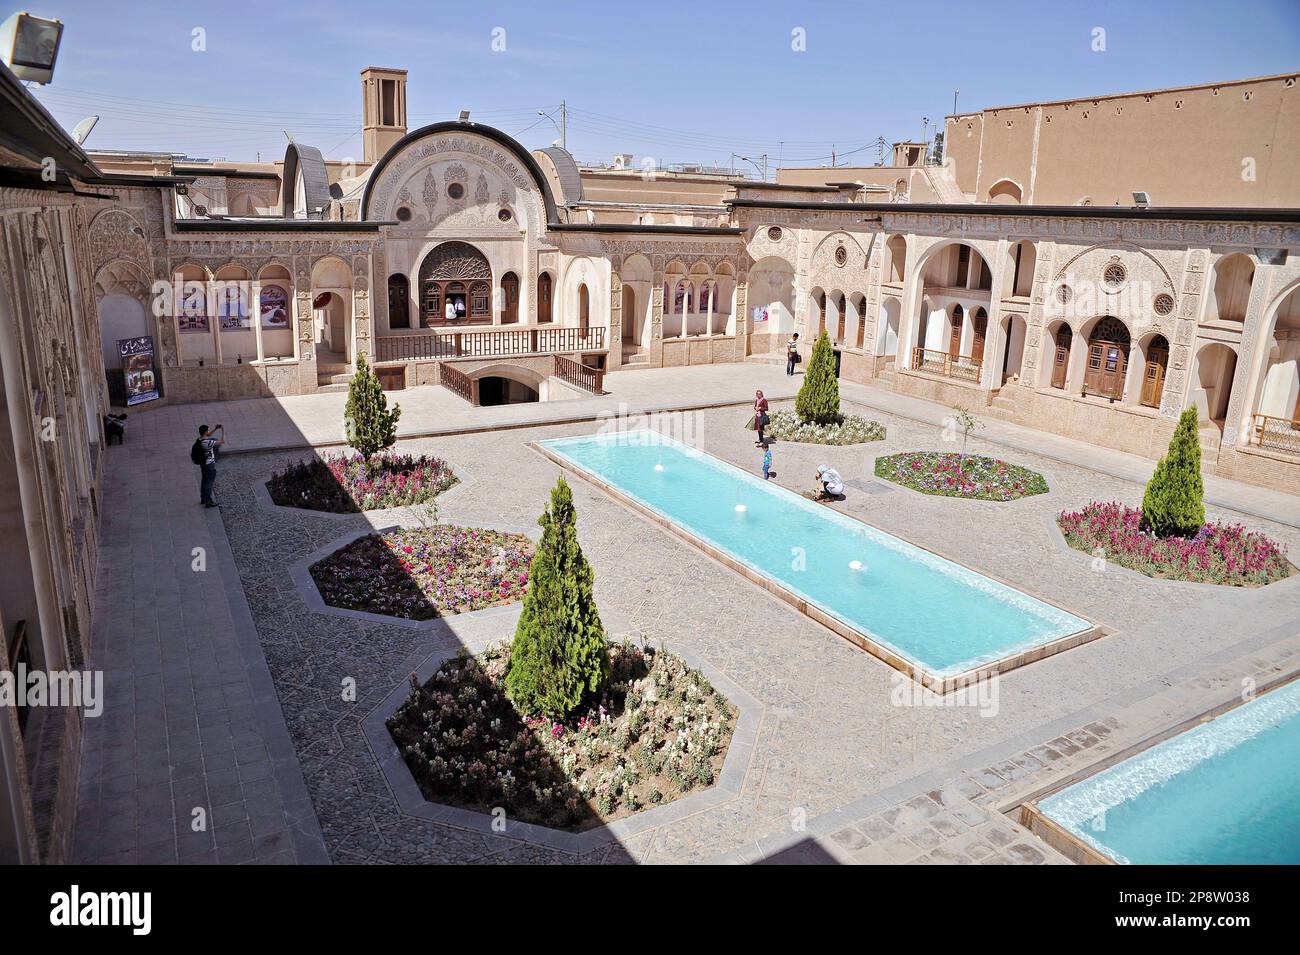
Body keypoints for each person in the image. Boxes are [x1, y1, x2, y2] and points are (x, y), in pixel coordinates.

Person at [195, 424, 225, 507]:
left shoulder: (200, 439)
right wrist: (223, 431)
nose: (208, 432)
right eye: (207, 430)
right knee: (209, 483)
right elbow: (222, 441)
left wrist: (215, 429)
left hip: (203, 464)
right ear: (205, 432)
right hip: (209, 465)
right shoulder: (208, 442)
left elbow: (208, 435)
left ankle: (203, 499)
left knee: (204, 481)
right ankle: (208, 501)